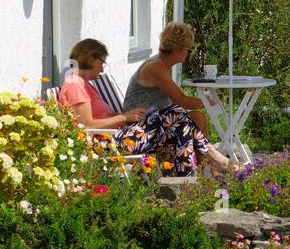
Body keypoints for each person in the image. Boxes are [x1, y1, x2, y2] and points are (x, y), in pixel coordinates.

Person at [58, 37, 232, 175]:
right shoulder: (75, 84)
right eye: (102, 62)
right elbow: (87, 126)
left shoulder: (85, 84)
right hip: (109, 143)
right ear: (90, 58)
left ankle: (185, 181)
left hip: (121, 136)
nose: (103, 68)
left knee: (181, 127)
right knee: (175, 111)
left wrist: (130, 115)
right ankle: (216, 159)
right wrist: (125, 117)